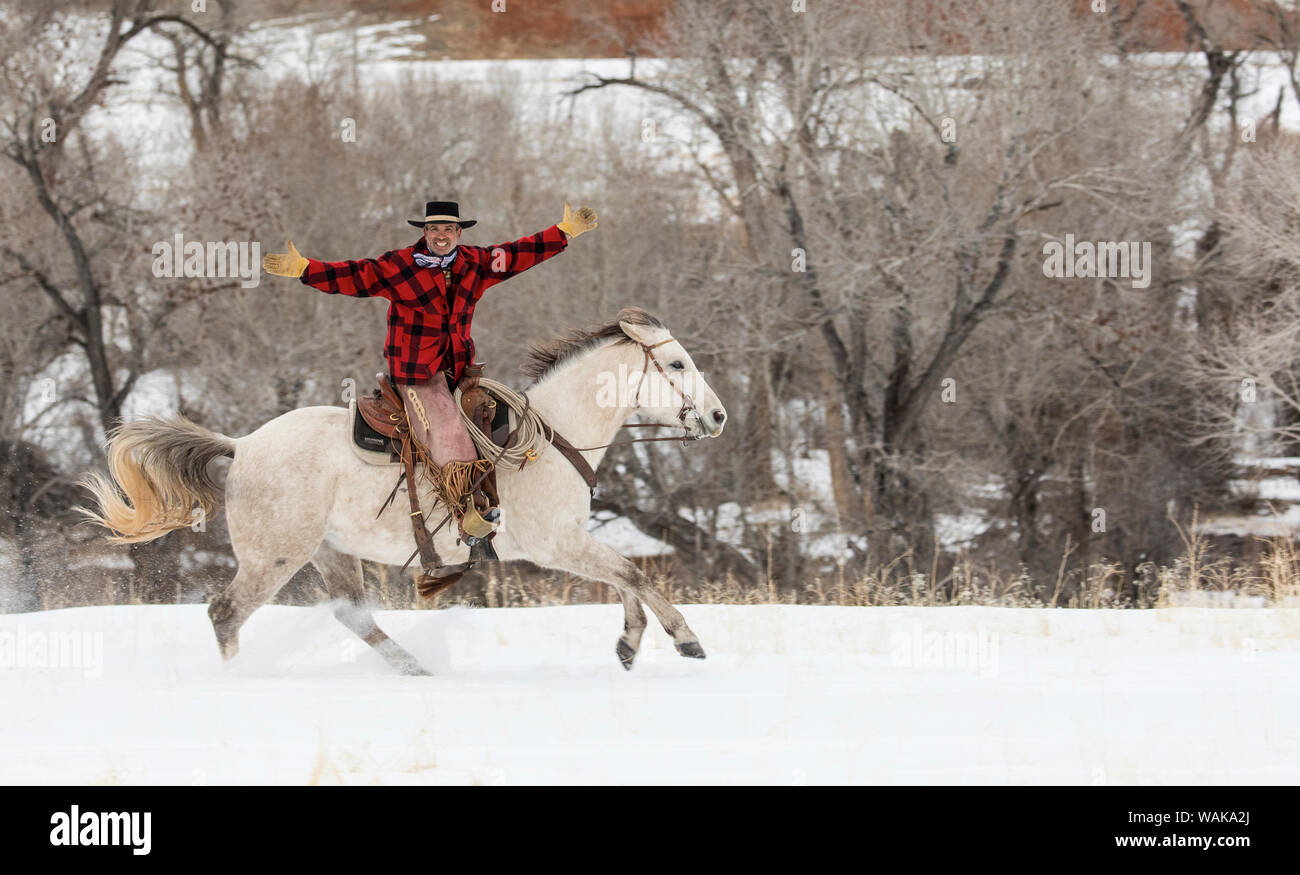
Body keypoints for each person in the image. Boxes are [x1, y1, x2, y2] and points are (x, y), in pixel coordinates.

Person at [261, 199, 598, 550]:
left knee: (501, 419)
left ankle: (517, 500)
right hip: (416, 372)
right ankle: (469, 514)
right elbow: (355, 275)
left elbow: (516, 255)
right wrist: (305, 268)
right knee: (448, 428)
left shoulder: (477, 263)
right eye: (435, 229)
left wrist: (564, 232)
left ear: (459, 233)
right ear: (424, 232)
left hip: (461, 370)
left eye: (449, 229)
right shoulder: (399, 266)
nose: (442, 235)